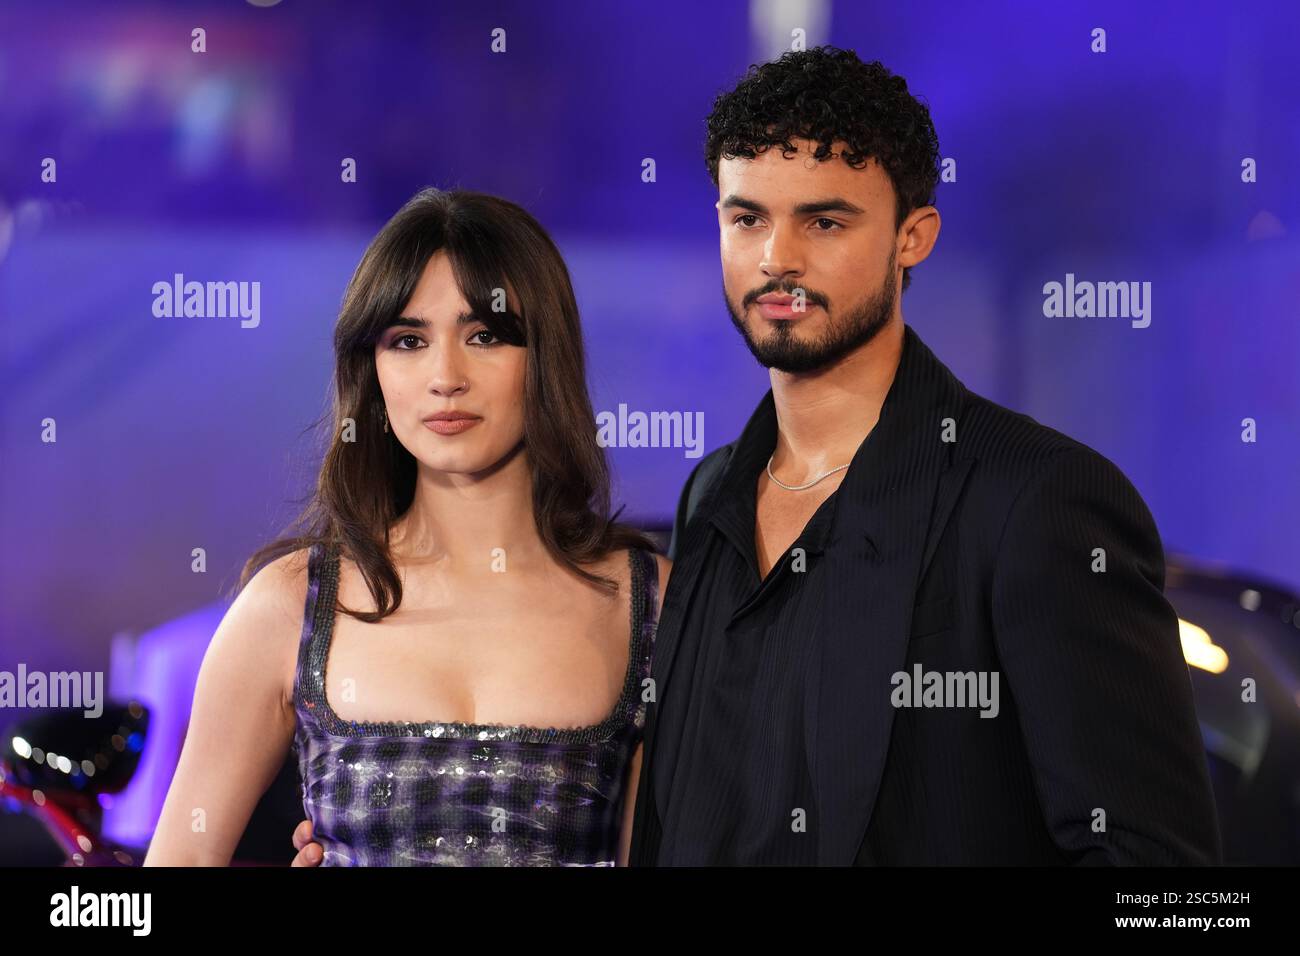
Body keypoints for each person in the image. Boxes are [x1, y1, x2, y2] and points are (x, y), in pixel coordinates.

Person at [294, 47, 1221, 868]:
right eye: (747, 219)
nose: (777, 259)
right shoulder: (710, 500)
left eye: (824, 222)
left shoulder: (1036, 499)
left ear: (913, 238)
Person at [145, 188, 669, 867]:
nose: (445, 376)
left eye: (484, 335)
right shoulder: (290, 606)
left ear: (546, 357)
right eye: (409, 340)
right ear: (374, 370)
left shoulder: (647, 605)